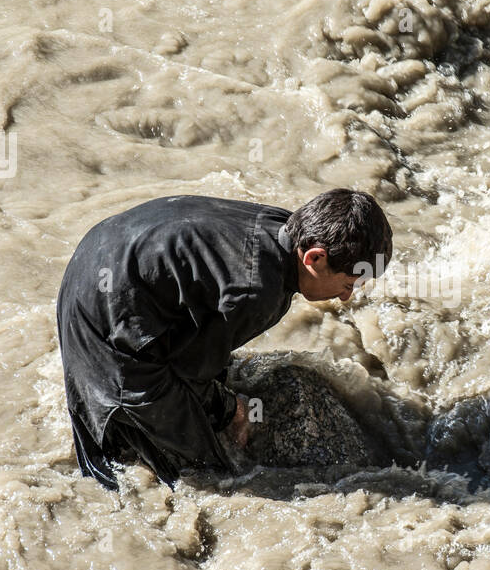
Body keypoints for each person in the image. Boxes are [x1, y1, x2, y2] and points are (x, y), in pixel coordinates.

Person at [56, 188, 393, 488]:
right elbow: (189, 373)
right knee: (211, 475)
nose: (347, 297)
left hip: (93, 259)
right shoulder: (259, 291)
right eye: (348, 284)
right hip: (101, 316)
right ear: (315, 258)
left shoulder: (282, 225)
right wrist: (231, 410)